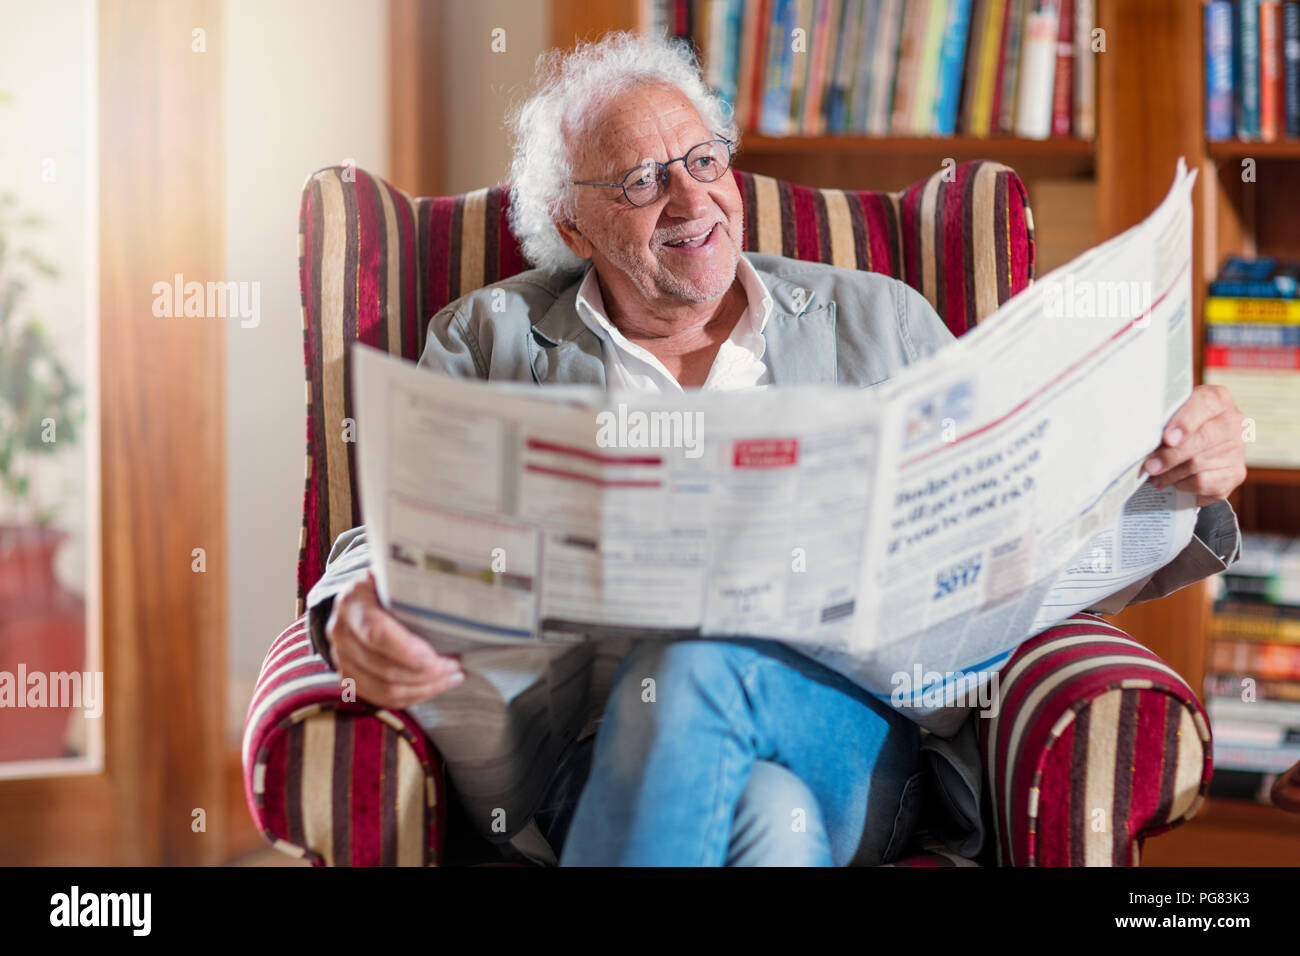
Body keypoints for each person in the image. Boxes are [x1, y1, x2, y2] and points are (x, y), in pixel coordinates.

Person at [305, 31, 1248, 866]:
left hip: (852, 738)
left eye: (704, 159)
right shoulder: (489, 340)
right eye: (641, 181)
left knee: (699, 676)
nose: (689, 198)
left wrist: (1175, 470)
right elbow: (395, 520)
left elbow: (1028, 501)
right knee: (771, 822)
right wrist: (352, 601)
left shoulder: (880, 322)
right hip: (590, 754)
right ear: (571, 224)